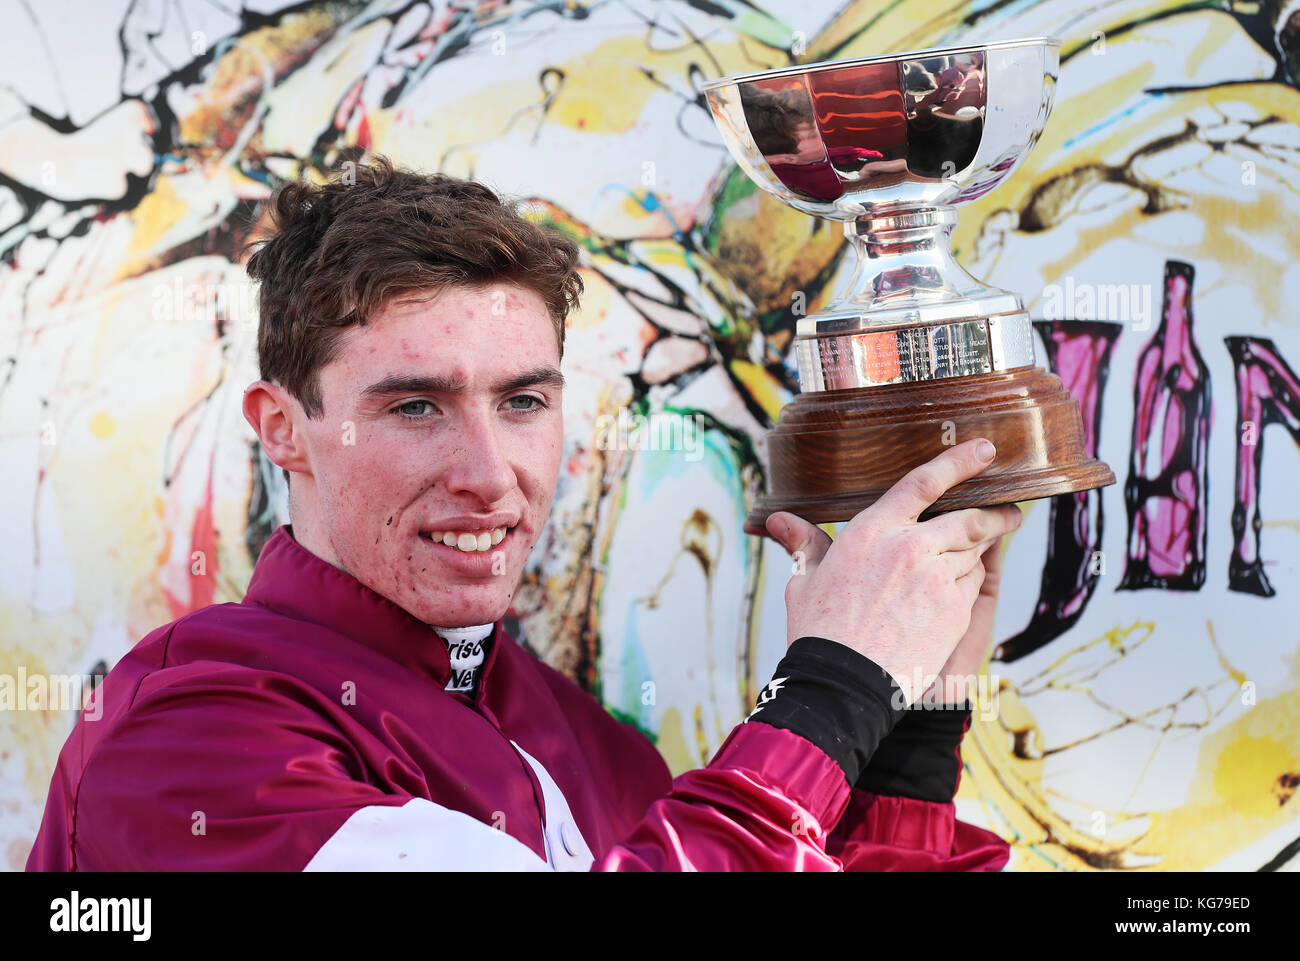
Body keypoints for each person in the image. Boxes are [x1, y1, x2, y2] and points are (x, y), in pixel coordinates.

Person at [27, 157, 1022, 871]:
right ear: (283, 428)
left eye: (523, 401)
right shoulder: (188, 738)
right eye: (415, 405)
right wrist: (829, 689)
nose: (490, 475)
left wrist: (905, 744)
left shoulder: (604, 749)